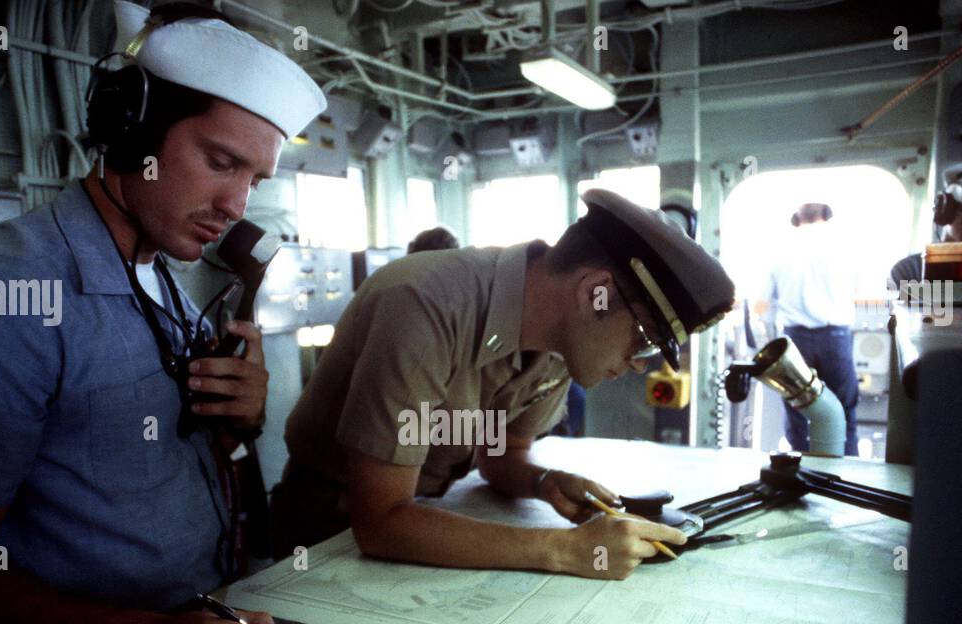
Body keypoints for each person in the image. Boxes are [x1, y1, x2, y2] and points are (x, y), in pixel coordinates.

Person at [0, 1, 326, 624]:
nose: (235, 206)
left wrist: (240, 419)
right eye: (220, 162)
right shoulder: (4, 297)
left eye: (254, 181)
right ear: (132, 129)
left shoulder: (163, 277)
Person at [269, 188, 735, 579]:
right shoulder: (425, 303)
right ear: (596, 294)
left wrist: (544, 482)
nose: (638, 364)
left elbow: (502, 454)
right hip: (326, 535)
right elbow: (380, 522)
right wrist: (569, 550)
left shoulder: (560, 342)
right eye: (644, 341)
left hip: (428, 518)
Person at [756, 202, 860, 456]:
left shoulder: (780, 248)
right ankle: (848, 470)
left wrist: (772, 339)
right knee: (843, 411)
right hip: (836, 338)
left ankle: (802, 470)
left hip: (796, 341)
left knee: (798, 411)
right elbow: (854, 288)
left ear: (796, 219)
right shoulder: (844, 244)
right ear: (826, 215)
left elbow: (763, 305)